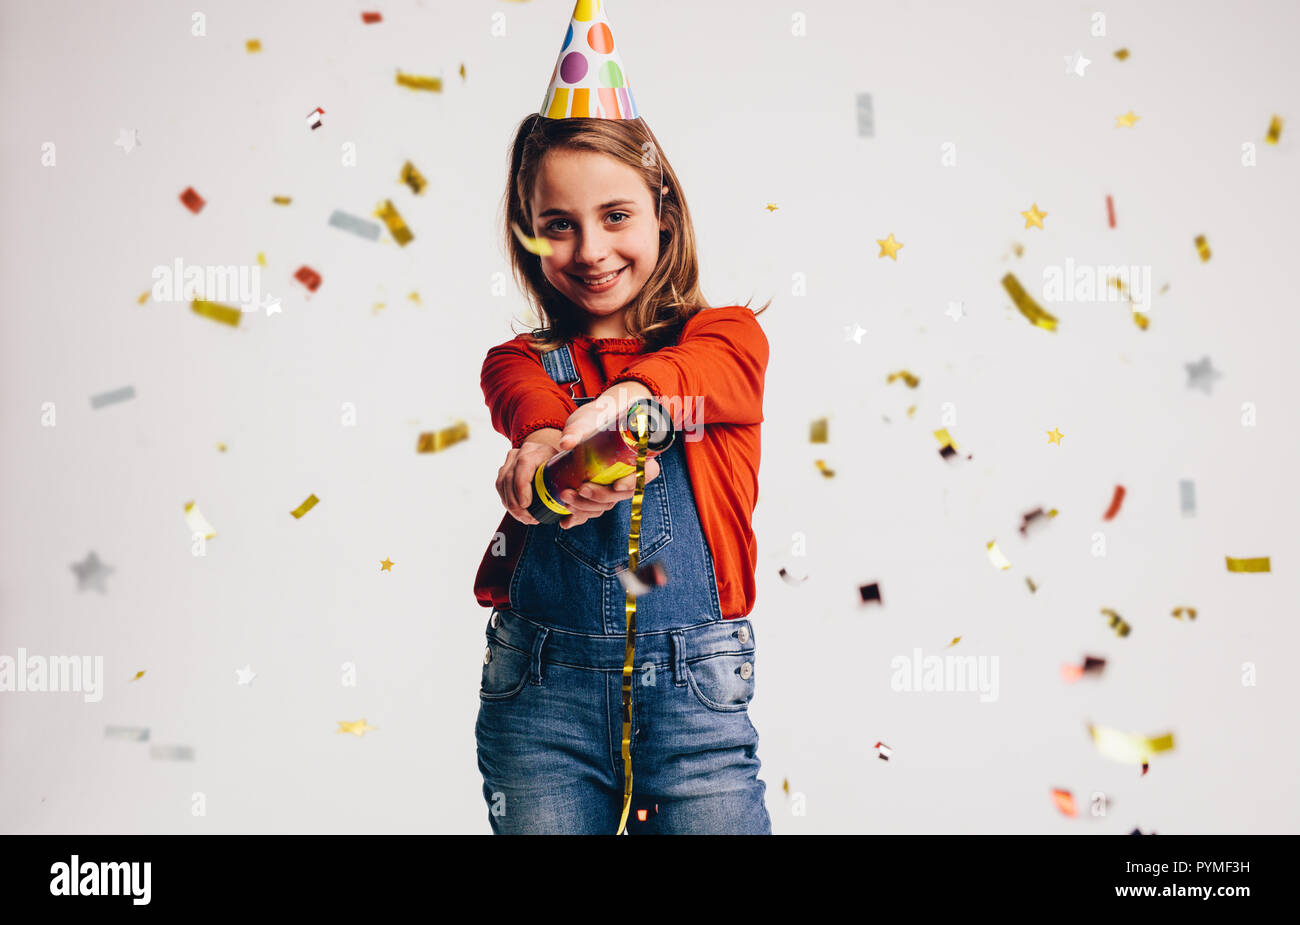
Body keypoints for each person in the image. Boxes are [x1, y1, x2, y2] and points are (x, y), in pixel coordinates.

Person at [473, 0, 772, 834]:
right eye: (557, 226)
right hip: (542, 697)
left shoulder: (728, 338)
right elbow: (526, 406)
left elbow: (698, 378)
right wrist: (543, 447)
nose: (591, 250)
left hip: (694, 694)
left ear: (662, 213)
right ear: (528, 238)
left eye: (615, 216)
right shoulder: (523, 362)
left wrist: (623, 400)